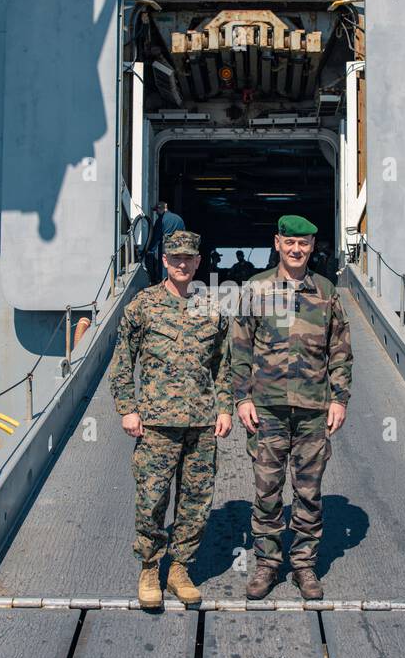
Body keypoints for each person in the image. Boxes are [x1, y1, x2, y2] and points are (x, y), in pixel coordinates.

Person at [231, 215, 352, 601]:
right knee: (267, 491)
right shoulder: (256, 288)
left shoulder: (327, 291)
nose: (297, 250)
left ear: (312, 246)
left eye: (304, 243)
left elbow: (341, 351)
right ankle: (267, 564)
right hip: (266, 408)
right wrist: (242, 397)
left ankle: (303, 565)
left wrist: (339, 399)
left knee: (309, 491)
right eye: (290, 243)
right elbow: (239, 347)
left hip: (314, 408)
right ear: (278, 243)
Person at [111, 230, 232, 608]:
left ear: (198, 262)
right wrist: (127, 408)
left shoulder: (211, 307)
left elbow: (223, 365)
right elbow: (121, 361)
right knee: (152, 497)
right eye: (175, 257)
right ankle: (149, 567)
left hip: (201, 423)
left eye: (189, 258)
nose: (182, 263)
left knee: (196, 499)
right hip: (157, 424)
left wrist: (225, 407)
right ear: (164, 261)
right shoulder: (143, 305)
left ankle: (180, 567)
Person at [144, 201, 185, 283]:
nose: (156, 213)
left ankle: (165, 284)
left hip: (167, 248)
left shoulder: (161, 220)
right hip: (179, 248)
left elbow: (156, 237)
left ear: (159, 209)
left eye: (157, 211)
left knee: (165, 267)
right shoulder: (179, 218)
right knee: (177, 267)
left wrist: (149, 251)